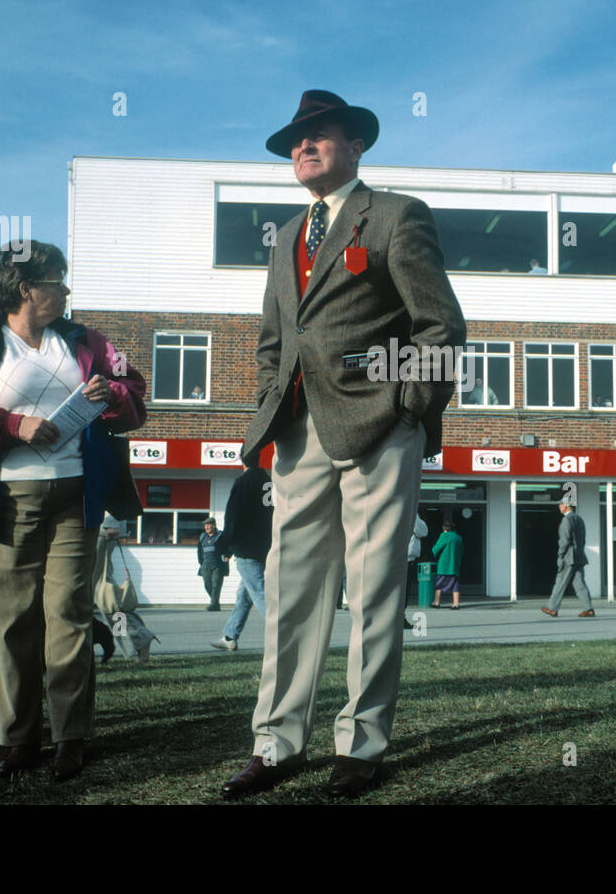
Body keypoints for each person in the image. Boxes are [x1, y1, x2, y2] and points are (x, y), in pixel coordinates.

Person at [219, 90, 466, 801]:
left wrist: (406, 408)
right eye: (295, 142)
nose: (303, 148)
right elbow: (274, 341)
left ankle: (360, 744)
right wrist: (271, 405)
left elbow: (440, 328)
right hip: (296, 437)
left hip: (378, 432)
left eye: (318, 137)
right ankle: (275, 744)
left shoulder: (395, 215)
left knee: (374, 591)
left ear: (355, 146)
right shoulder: (287, 235)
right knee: (292, 591)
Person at [0, 240, 147, 783]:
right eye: (57, 279)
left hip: (76, 499)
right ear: (26, 288)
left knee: (69, 617)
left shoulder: (87, 340)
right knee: (12, 623)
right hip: (5, 500)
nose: (66, 289)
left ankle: (70, 739)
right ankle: (17, 739)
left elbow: (135, 396)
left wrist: (112, 394)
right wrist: (12, 424)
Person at [211, 464, 273, 651]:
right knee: (244, 596)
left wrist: (224, 545)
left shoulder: (243, 482)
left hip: (246, 548)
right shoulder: (267, 482)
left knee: (260, 593)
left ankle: (283, 633)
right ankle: (230, 636)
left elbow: (233, 517)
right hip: (263, 546)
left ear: (242, 461)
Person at [92, 515, 157, 665]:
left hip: (99, 532)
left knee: (108, 601)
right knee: (107, 600)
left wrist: (111, 524)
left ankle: (140, 637)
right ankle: (137, 640)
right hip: (98, 531)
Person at [541, 501, 594, 618]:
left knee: (560, 582)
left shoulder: (566, 520)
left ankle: (552, 608)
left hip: (568, 557)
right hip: (579, 556)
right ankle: (589, 609)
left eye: (560, 505)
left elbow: (564, 541)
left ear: (566, 506)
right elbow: (583, 539)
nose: (559, 508)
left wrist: (560, 555)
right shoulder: (579, 519)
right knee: (580, 584)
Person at [402, 512, 427, 629]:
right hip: (405, 558)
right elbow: (423, 531)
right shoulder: (411, 513)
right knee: (404, 591)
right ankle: (399, 619)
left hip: (398, 557)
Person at [430, 521, 463, 609]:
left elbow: (437, 548)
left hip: (444, 565)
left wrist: (433, 553)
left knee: (439, 583)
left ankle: (436, 602)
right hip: (455, 565)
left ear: (445, 529)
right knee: (455, 584)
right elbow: (462, 551)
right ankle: (455, 604)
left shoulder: (444, 535)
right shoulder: (458, 538)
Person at [196, 517, 225, 610]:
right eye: (205, 525)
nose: (207, 527)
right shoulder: (202, 536)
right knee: (207, 585)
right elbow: (199, 551)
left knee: (216, 585)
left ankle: (213, 604)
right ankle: (216, 604)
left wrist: (228, 555)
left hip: (217, 565)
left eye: (209, 525)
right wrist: (201, 563)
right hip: (205, 565)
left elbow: (228, 546)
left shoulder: (221, 535)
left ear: (214, 525)